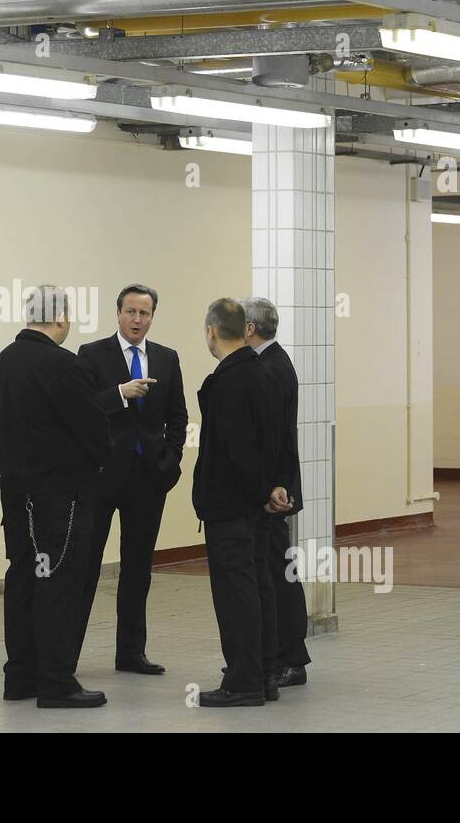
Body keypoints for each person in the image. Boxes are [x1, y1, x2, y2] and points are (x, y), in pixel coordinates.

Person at [0, 284, 113, 708]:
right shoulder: (64, 365)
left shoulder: (4, 362)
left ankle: (20, 677)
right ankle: (56, 681)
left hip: (15, 493)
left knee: (23, 579)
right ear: (61, 318)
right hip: (60, 498)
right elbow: (95, 430)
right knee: (58, 582)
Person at [75, 284, 188, 675]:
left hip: (148, 477)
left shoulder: (167, 358)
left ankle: (131, 653)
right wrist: (119, 394)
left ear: (153, 316)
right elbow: (82, 410)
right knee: (86, 567)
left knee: (138, 568)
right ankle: (67, 655)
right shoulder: (92, 355)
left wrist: (170, 461)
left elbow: (178, 416)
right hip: (103, 477)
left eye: (145, 313)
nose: (137, 320)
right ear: (117, 313)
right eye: (130, 312)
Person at [192, 298, 286, 707]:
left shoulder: (230, 381)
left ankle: (243, 681)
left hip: (232, 508)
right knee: (259, 586)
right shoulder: (264, 372)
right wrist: (270, 490)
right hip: (255, 505)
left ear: (212, 331)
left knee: (236, 596)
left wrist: (253, 494)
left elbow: (238, 451)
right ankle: (264, 673)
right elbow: (273, 441)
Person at [243, 296, 312, 688]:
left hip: (274, 492)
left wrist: (273, 487)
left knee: (278, 572)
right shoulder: (274, 362)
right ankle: (276, 652)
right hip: (275, 488)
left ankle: (291, 656)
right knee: (275, 569)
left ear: (250, 328)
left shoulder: (269, 367)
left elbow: (273, 439)